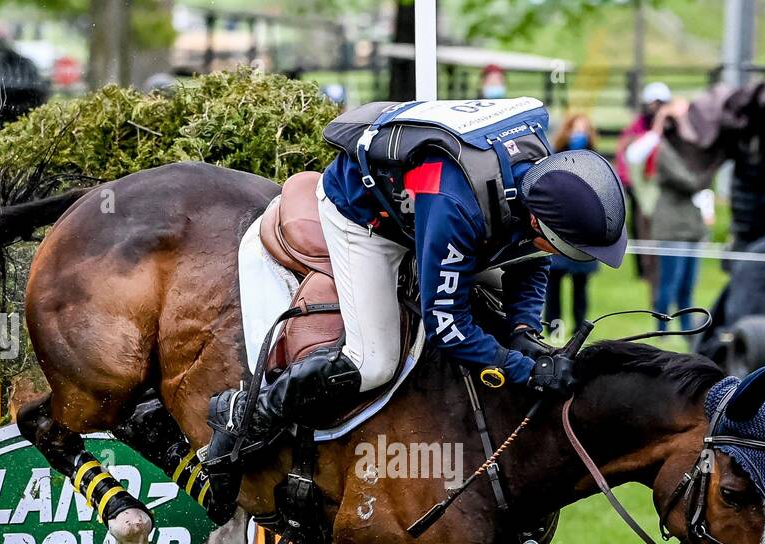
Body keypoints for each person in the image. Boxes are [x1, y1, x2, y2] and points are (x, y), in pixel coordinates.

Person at [189, 97, 629, 521]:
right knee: (373, 361)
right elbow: (446, 324)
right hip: (362, 215)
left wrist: (523, 335)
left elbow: (531, 261)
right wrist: (520, 369)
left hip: (432, 196)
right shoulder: (458, 206)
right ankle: (249, 411)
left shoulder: (543, 172)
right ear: (536, 219)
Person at [649, 99, 716, 333]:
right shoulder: (666, 151)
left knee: (688, 284)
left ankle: (687, 328)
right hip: (672, 225)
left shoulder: (690, 153)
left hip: (691, 226)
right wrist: (708, 169)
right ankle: (662, 328)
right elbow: (690, 181)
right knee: (669, 282)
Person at [544, 112, 601, 335]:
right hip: (559, 227)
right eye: (576, 128)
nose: (580, 134)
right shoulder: (554, 158)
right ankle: (554, 326)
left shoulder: (596, 162)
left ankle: (579, 328)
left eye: (584, 129)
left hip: (584, 231)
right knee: (554, 282)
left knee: (580, 283)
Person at [616, 81, 670, 300]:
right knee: (641, 231)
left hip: (663, 191)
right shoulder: (637, 129)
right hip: (640, 188)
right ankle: (645, 273)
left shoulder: (671, 129)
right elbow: (627, 155)